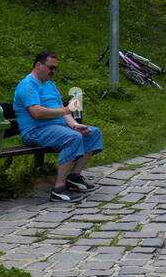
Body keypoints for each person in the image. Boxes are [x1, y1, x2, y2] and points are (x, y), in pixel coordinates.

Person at [13, 51, 102, 202]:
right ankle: (59, 189)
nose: (53, 72)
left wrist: (74, 125)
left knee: (92, 132)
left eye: (55, 69)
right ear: (38, 65)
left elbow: (61, 110)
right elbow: (36, 113)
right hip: (35, 131)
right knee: (72, 138)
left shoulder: (50, 85)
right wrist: (66, 111)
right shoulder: (27, 85)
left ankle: (74, 177)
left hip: (56, 128)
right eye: (51, 68)